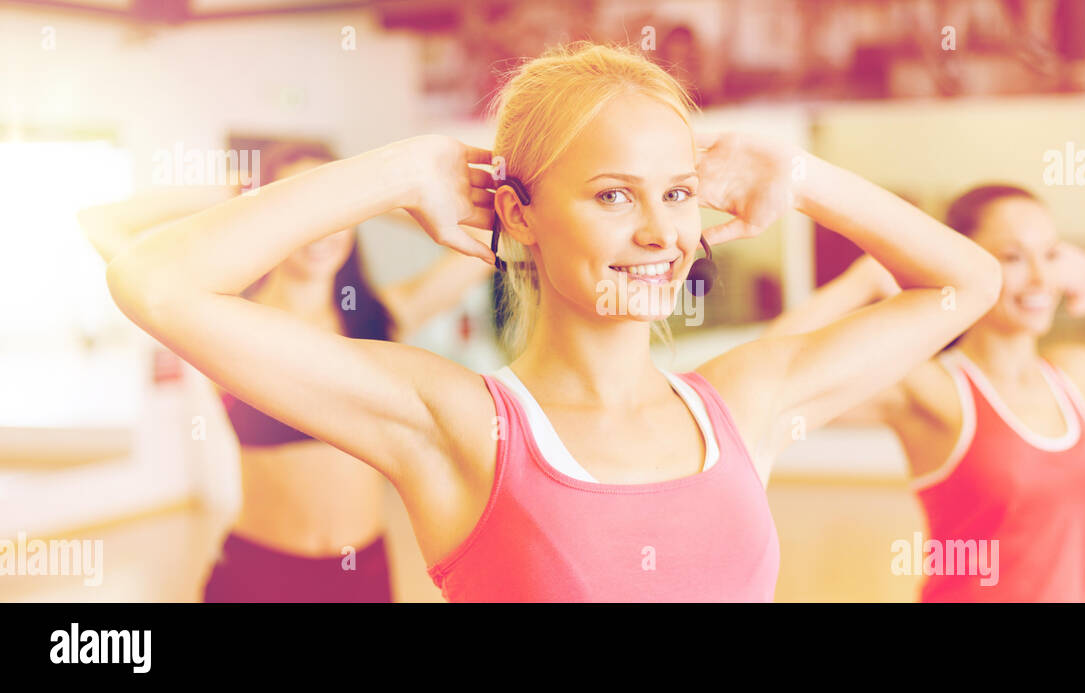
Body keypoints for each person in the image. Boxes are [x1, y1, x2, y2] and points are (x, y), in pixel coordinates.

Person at [104, 41, 1002, 602]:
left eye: (678, 193)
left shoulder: (742, 402)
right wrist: (403, 170)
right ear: (521, 215)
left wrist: (799, 177)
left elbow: (968, 282)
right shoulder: (457, 425)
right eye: (613, 195)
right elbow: (157, 283)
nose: (659, 233)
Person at [79, 141, 493, 602]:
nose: (323, 232)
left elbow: (492, 248)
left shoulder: (379, 319)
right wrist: (239, 196)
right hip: (259, 576)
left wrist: (379, 195)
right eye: (309, 213)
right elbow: (100, 223)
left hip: (362, 576)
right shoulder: (222, 321)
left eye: (336, 216)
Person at [764, 183, 1085, 602]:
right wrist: (863, 283)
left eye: (1051, 254)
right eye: (1013, 257)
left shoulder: (1072, 377)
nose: (1042, 277)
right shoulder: (933, 390)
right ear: (964, 264)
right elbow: (769, 371)